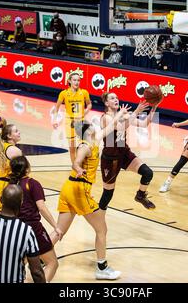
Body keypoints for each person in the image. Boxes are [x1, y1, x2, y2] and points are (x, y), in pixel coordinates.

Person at [50, 104, 129, 280]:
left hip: (68, 189)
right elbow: (75, 161)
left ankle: (38, 257)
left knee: (59, 231)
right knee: (102, 229)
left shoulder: (93, 140)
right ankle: (102, 267)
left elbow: (108, 128)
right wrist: (78, 168)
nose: (95, 126)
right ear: (88, 131)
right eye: (91, 125)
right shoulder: (85, 146)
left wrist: (119, 115)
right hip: (79, 189)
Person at [99, 92, 159, 211]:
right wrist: (135, 112)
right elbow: (120, 127)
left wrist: (154, 107)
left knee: (147, 173)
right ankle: (99, 213)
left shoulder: (124, 115)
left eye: (117, 97)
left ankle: (140, 195)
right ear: (106, 103)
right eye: (112, 98)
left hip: (124, 153)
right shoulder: (105, 117)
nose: (116, 99)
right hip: (110, 158)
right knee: (108, 194)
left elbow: (144, 124)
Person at [9, 156, 62, 282]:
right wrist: (55, 226)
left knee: (19, 265)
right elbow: (42, 208)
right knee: (52, 263)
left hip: (15, 228)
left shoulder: (10, 186)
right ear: (27, 168)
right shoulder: (32, 183)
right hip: (33, 228)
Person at [52, 72, 92, 163]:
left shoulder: (84, 92)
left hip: (81, 121)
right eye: (74, 80)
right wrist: (54, 120)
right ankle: (75, 166)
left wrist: (86, 111)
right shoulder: (64, 93)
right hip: (70, 122)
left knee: (84, 145)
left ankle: (83, 164)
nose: (76, 82)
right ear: (69, 81)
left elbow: (89, 104)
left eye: (78, 80)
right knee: (72, 147)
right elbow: (57, 107)